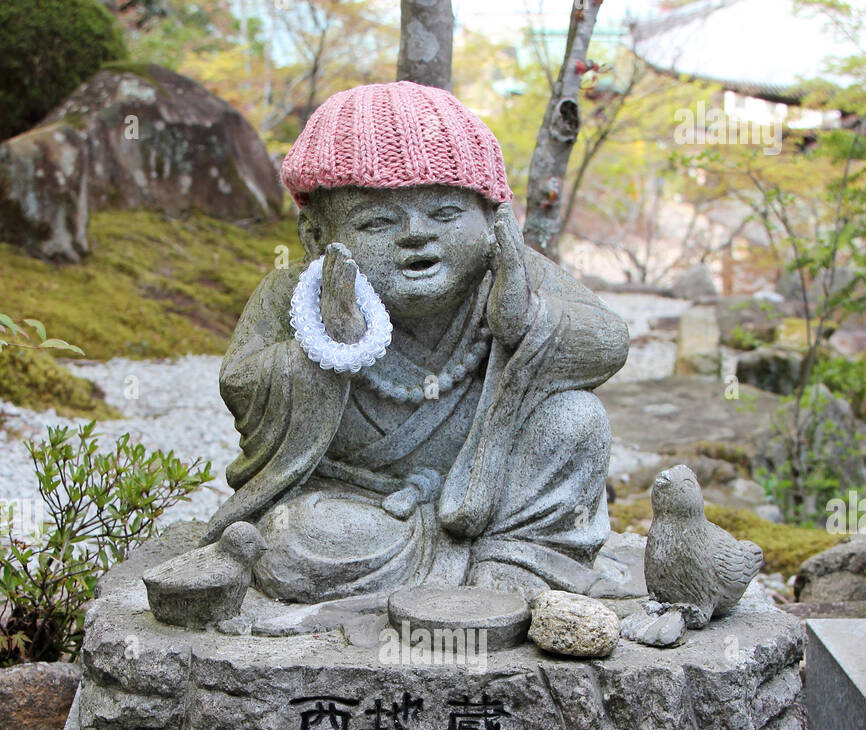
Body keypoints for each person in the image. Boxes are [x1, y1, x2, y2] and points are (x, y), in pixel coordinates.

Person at [204, 80, 629, 604]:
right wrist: (323, 348)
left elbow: (609, 344)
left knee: (577, 417)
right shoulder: (295, 296)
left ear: (494, 220)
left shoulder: (510, 276)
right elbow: (241, 384)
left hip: (498, 504)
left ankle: (516, 556)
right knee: (294, 537)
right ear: (315, 236)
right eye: (377, 221)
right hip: (360, 504)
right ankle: (478, 570)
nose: (414, 234)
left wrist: (527, 321)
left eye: (446, 214)